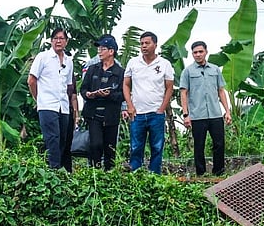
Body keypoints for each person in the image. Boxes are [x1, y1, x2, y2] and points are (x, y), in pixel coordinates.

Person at [123, 31, 175, 173]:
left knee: (157, 147)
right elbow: (126, 85)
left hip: (156, 113)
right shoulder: (133, 63)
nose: (144, 46)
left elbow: (169, 88)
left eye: (147, 43)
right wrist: (130, 106)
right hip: (137, 113)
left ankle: (154, 176)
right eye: (141, 44)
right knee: (136, 147)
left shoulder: (164, 64)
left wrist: (161, 109)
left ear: (155, 45)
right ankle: (135, 175)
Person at [27, 27, 77, 171]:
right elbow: (31, 80)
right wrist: (38, 98)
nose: (58, 41)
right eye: (55, 38)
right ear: (51, 41)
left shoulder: (69, 61)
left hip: (63, 106)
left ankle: (58, 170)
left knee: (63, 139)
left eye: (61, 38)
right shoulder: (43, 57)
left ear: (66, 41)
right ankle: (54, 171)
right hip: (47, 105)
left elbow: (69, 85)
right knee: (52, 139)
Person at [179, 41, 231, 177]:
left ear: (206, 52)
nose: (198, 54)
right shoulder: (187, 71)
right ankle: (200, 174)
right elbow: (183, 93)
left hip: (215, 114)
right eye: (195, 52)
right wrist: (186, 115)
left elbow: (221, 91)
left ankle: (219, 172)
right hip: (197, 115)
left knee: (219, 144)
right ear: (192, 54)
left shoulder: (215, 69)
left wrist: (227, 111)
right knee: (199, 146)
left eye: (200, 52)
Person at [79, 34, 125, 169]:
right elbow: (83, 89)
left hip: (111, 115)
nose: (99, 51)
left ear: (111, 51)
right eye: (98, 48)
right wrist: (89, 94)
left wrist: (110, 95)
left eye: (102, 49)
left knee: (110, 148)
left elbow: (124, 94)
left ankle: (109, 175)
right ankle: (95, 172)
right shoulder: (92, 68)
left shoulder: (120, 72)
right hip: (93, 114)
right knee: (95, 144)